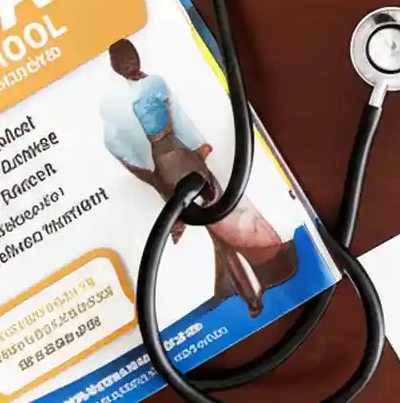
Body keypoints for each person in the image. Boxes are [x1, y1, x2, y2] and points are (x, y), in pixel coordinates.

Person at [100, 38, 297, 316]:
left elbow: (176, 114)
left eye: (130, 58)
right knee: (216, 218)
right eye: (121, 62)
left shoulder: (154, 83)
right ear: (114, 67)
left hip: (180, 153)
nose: (128, 65)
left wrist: (196, 143)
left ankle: (247, 291)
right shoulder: (116, 101)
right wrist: (145, 169)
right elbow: (115, 141)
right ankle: (248, 291)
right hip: (164, 160)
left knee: (217, 219)